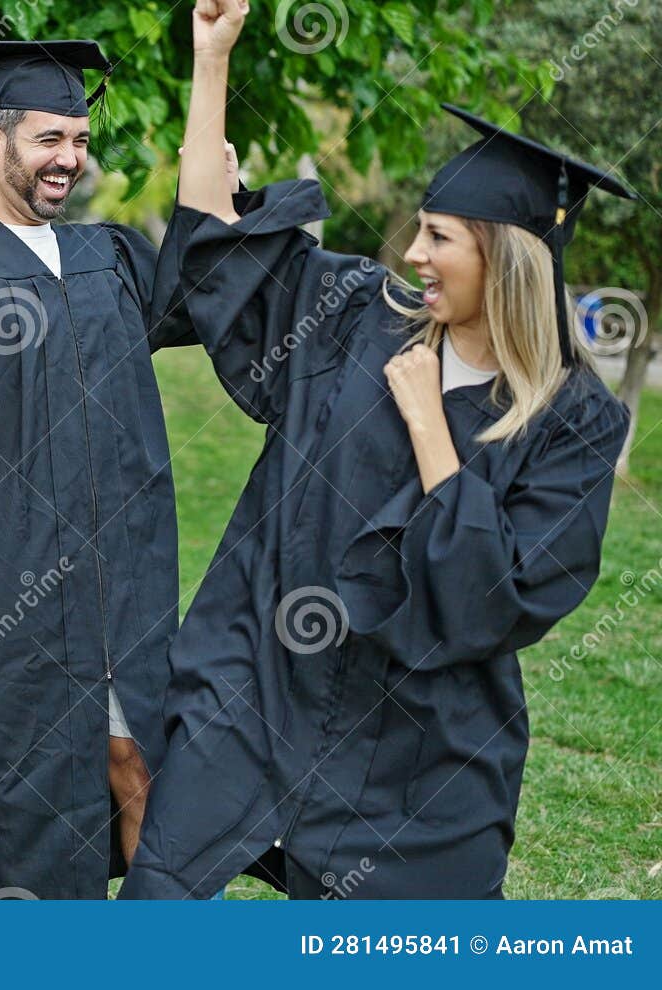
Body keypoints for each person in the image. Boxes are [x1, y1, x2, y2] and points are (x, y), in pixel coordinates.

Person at [125, 0, 633, 899]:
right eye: (420, 231)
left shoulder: (572, 420)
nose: (417, 253)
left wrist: (434, 437)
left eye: (441, 237)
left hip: (420, 743)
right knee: (159, 905)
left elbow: (498, 605)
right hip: (258, 684)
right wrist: (213, 60)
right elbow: (218, 252)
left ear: (508, 258)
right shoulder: (357, 315)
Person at [0, 39, 210, 899]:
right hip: (11, 587)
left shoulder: (113, 256)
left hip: (128, 575)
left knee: (147, 775)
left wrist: (211, 62)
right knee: (27, 807)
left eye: (79, 141)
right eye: (48, 139)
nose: (68, 158)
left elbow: (209, 267)